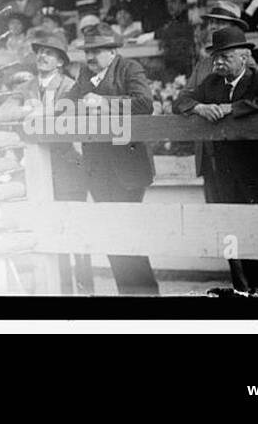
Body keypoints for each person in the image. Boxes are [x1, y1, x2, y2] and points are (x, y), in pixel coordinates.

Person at [173, 27, 258, 293]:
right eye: (216, 57)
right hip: (225, 174)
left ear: (244, 57)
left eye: (225, 57)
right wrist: (199, 107)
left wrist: (233, 109)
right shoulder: (212, 83)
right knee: (235, 233)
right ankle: (245, 292)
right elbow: (180, 100)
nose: (218, 62)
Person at [67, 26, 158, 295]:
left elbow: (144, 103)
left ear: (113, 51)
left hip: (127, 168)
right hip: (97, 168)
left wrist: (103, 102)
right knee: (110, 234)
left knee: (127, 235)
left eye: (96, 51)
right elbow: (70, 101)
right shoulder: (85, 73)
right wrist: (49, 108)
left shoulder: (130, 68)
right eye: (87, 52)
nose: (90, 57)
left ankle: (146, 295)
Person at [10, 31, 94, 294]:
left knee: (74, 229)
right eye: (40, 52)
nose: (42, 56)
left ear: (60, 61)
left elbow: (70, 121)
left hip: (68, 166)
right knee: (46, 229)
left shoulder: (70, 87)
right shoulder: (24, 88)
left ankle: (85, 289)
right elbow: (9, 115)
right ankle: (57, 290)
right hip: (36, 169)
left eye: (49, 53)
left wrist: (40, 114)